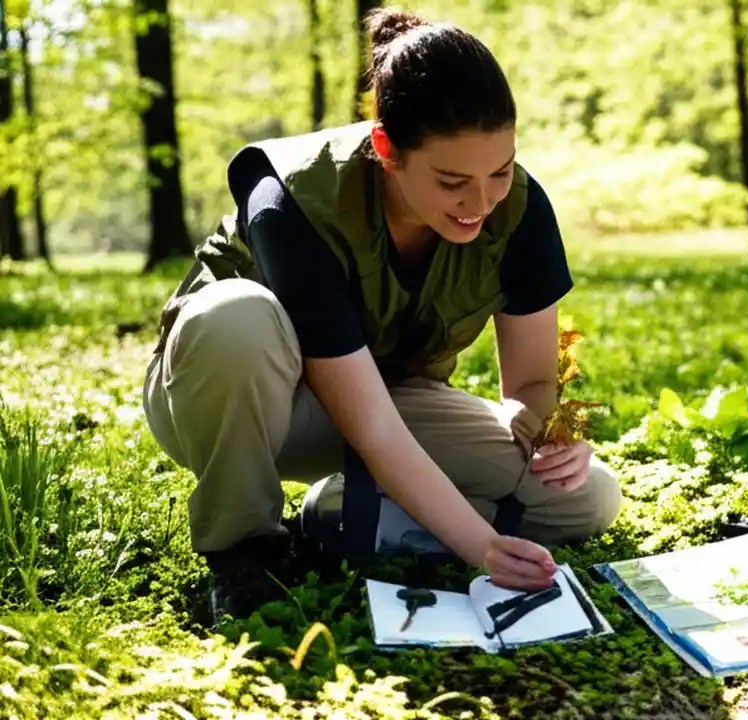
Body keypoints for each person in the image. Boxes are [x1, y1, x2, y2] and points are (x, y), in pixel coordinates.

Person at [142, 7, 622, 620]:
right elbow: (370, 427)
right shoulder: (288, 200)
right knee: (236, 316)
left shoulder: (520, 209)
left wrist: (552, 437)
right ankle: (244, 550)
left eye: (499, 171)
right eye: (452, 181)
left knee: (584, 498)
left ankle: (348, 510)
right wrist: (477, 545)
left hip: (385, 401)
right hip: (244, 402)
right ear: (386, 147)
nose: (480, 203)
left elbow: (529, 386)